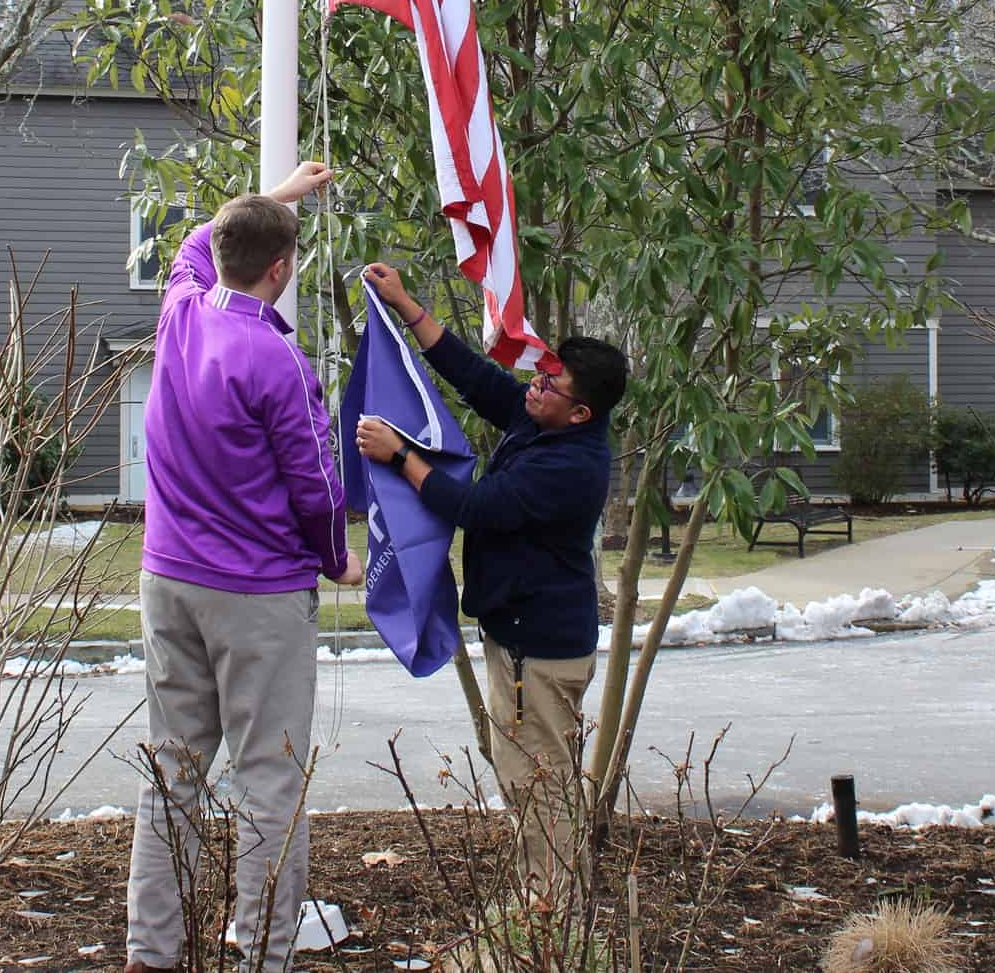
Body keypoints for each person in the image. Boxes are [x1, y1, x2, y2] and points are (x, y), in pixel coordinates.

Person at [125, 162, 363, 973]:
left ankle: (149, 955)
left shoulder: (181, 308)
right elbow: (318, 485)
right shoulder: (282, 364)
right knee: (270, 783)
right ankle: (263, 954)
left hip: (168, 582)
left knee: (172, 777)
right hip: (255, 597)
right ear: (281, 269)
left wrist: (279, 197)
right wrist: (338, 561)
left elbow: (198, 240)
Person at [352, 262, 628, 904]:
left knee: (538, 781)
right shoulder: (547, 421)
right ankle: (547, 902)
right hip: (523, 640)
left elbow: (476, 508)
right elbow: (480, 382)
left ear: (581, 411)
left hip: (539, 658)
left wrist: (401, 456)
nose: (534, 386)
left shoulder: (571, 466)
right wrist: (407, 306)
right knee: (534, 776)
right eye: (540, 373)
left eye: (549, 383)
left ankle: (548, 914)